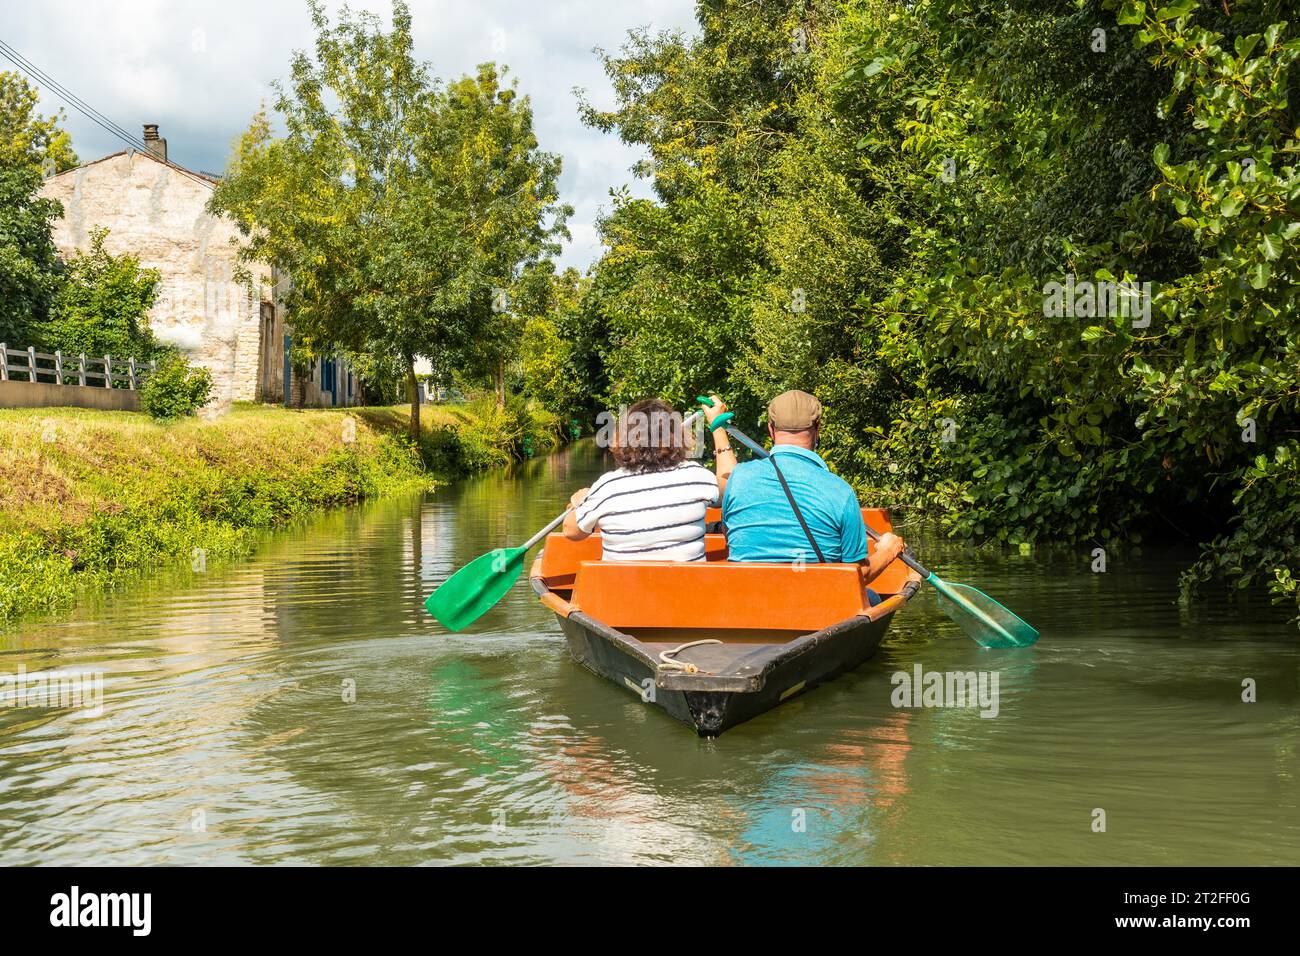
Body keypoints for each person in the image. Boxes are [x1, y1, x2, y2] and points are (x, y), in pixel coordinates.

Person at [717, 389, 904, 600]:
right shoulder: (840, 491)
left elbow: (729, 537)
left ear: (771, 429)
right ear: (818, 428)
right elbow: (857, 575)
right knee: (871, 597)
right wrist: (888, 551)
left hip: (746, 603)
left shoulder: (738, 478)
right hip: (812, 605)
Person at [563, 396, 737, 561]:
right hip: (684, 591)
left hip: (624, 592)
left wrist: (581, 502)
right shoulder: (696, 476)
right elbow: (732, 486)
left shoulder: (607, 486)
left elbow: (571, 531)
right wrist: (718, 427)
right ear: (676, 437)